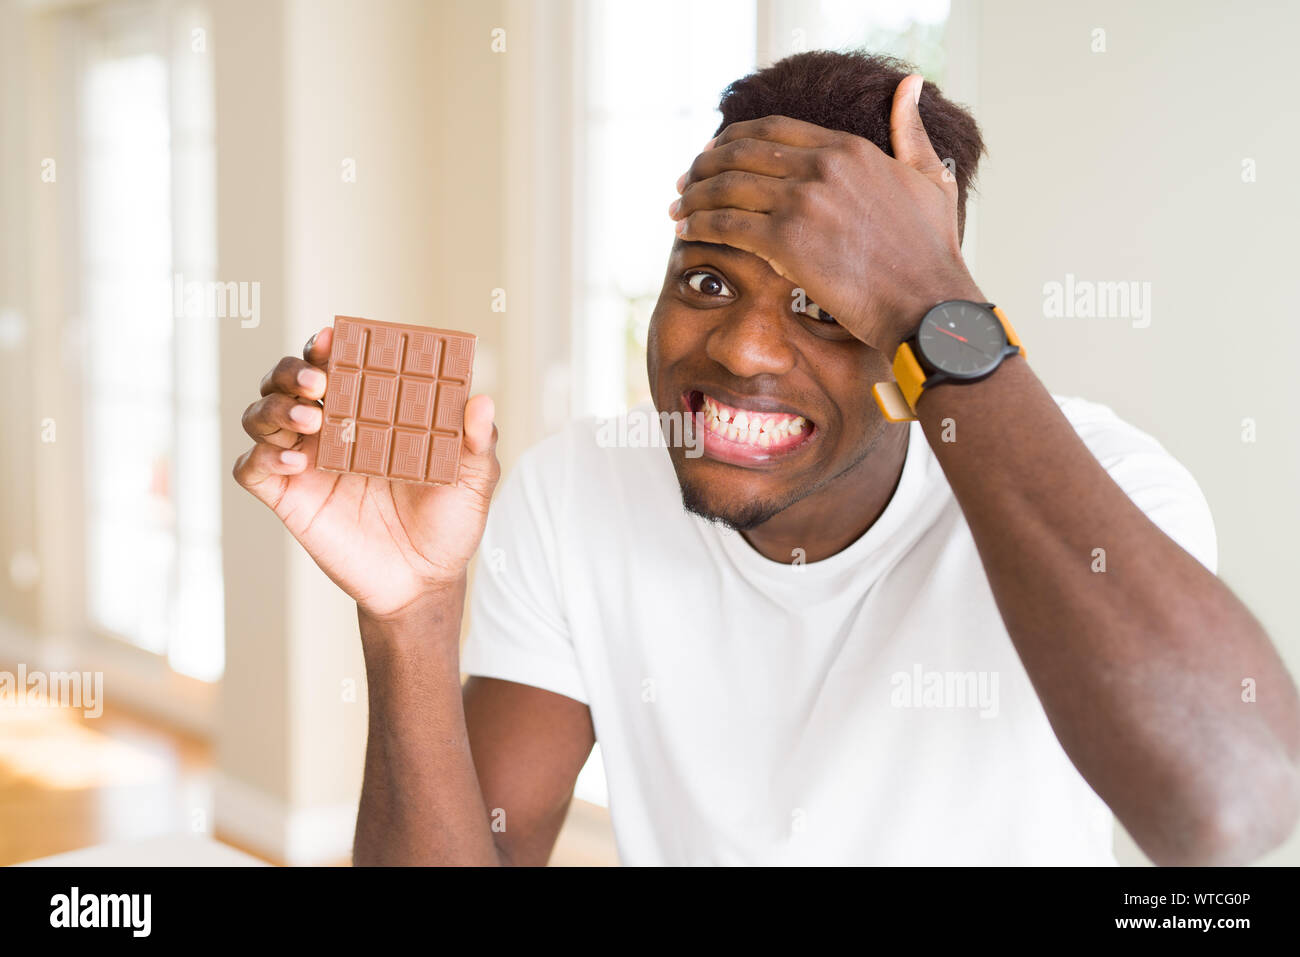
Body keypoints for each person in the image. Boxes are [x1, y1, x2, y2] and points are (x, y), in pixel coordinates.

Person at [233, 51, 1299, 866]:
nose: (740, 348)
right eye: (705, 283)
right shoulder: (576, 495)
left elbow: (1231, 806)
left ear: (918, 320)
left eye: (826, 307)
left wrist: (938, 308)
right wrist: (410, 615)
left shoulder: (1100, 484)